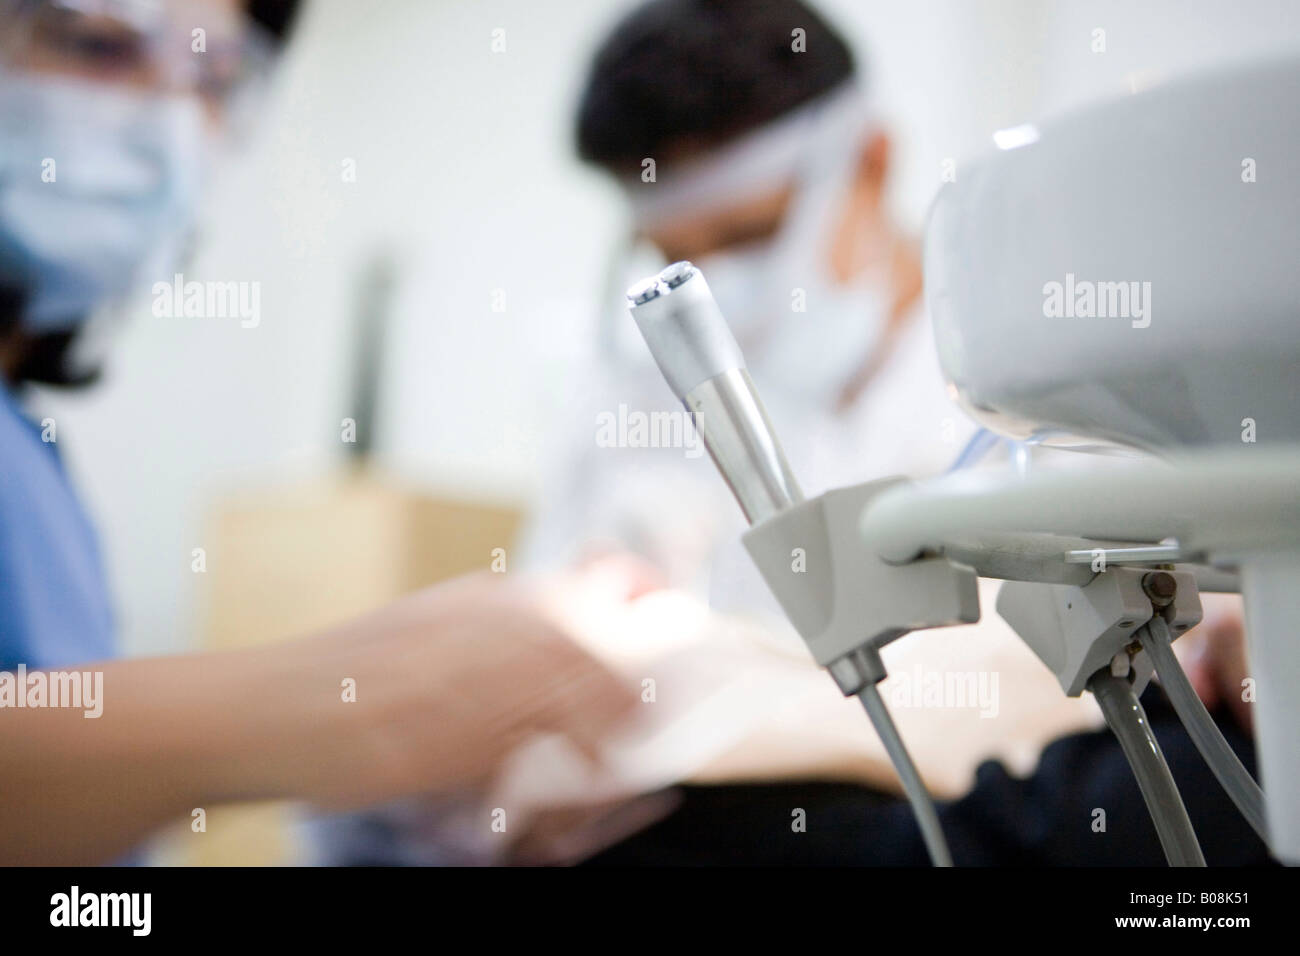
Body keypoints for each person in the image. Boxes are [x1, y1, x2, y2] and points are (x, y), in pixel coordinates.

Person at [0, 0, 640, 866]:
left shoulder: (28, 461)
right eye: (97, 45)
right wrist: (328, 703)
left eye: (218, 80)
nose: (168, 122)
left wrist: (390, 709)